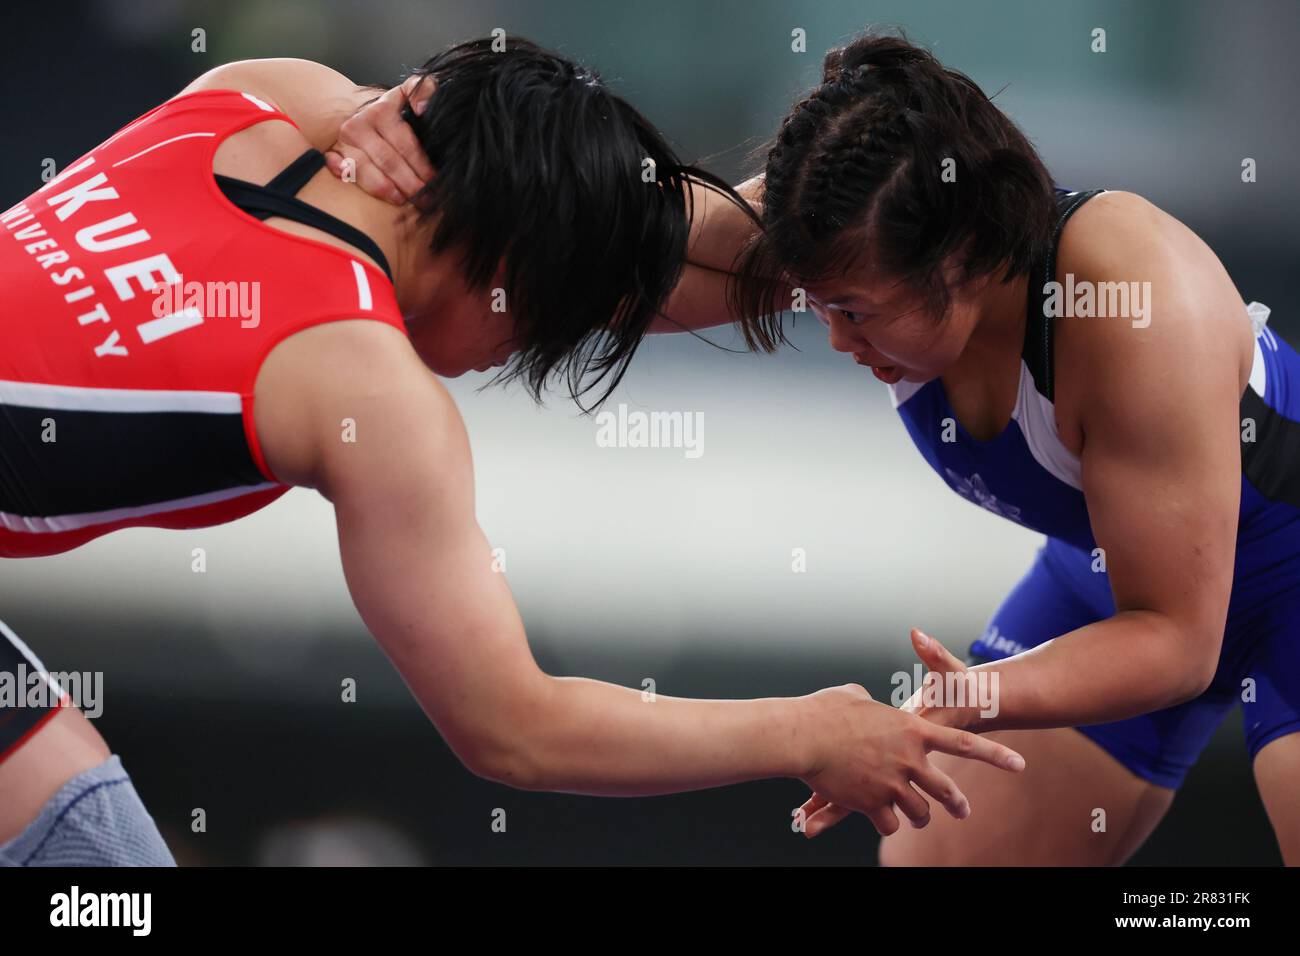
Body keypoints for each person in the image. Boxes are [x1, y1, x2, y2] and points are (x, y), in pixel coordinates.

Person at [0, 38, 1023, 866]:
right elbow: (514, 727)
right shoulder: (365, 389)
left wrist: (887, 216)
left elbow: (581, 194)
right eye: (547, 323)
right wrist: (806, 731)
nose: (518, 355)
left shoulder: (262, 96)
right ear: (512, 273)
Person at [338, 28, 1300, 864]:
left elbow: (1178, 639)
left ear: (963, 259)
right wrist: (415, 122)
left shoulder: (1136, 298)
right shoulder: (857, 228)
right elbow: (597, 234)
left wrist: (974, 698)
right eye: (816, 300)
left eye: (853, 312)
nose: (833, 338)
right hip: (1113, 580)